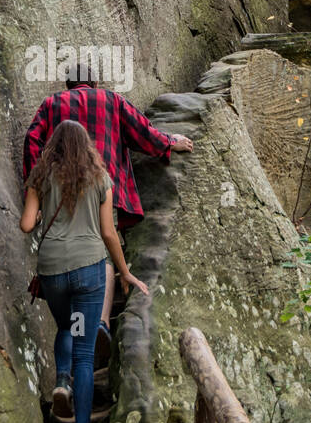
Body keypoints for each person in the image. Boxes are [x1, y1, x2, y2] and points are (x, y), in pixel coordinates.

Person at [22, 69, 193, 355]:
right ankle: (100, 323)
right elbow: (142, 132)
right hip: (103, 188)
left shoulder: (52, 104)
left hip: (59, 197)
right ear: (95, 82)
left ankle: (73, 345)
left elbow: (31, 140)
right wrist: (168, 142)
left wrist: (35, 188)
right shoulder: (112, 100)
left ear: (68, 84)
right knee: (101, 251)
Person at [21, 120, 148, 423]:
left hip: (53, 273)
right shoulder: (100, 179)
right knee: (84, 351)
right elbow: (108, 233)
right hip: (88, 272)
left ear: (54, 147)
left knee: (67, 326)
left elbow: (26, 224)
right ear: (86, 145)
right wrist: (124, 273)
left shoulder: (40, 177)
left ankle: (61, 381)